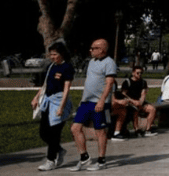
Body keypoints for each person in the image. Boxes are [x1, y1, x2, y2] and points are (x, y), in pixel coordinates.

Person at [69, 38, 117, 171]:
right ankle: (84, 157)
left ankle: (101, 161)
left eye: (93, 48)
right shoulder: (91, 62)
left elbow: (109, 83)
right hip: (86, 102)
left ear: (101, 49)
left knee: (100, 132)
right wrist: (83, 99)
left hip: (99, 103)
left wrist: (102, 100)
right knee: (75, 128)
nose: (90, 50)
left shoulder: (109, 63)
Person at [31, 41, 74, 171]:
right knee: (43, 132)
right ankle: (59, 150)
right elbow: (45, 85)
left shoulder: (67, 67)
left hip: (59, 101)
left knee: (54, 132)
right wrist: (36, 97)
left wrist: (61, 107)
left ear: (61, 54)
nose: (52, 57)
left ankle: (50, 160)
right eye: (51, 54)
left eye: (55, 54)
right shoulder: (51, 67)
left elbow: (66, 89)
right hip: (47, 102)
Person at [110, 65, 157, 140]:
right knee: (134, 110)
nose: (139, 75)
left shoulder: (143, 82)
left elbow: (143, 93)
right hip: (130, 102)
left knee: (152, 109)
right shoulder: (127, 82)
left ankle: (148, 130)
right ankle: (136, 130)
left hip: (140, 102)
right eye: (137, 73)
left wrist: (140, 102)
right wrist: (133, 101)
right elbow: (124, 94)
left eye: (141, 73)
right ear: (133, 73)